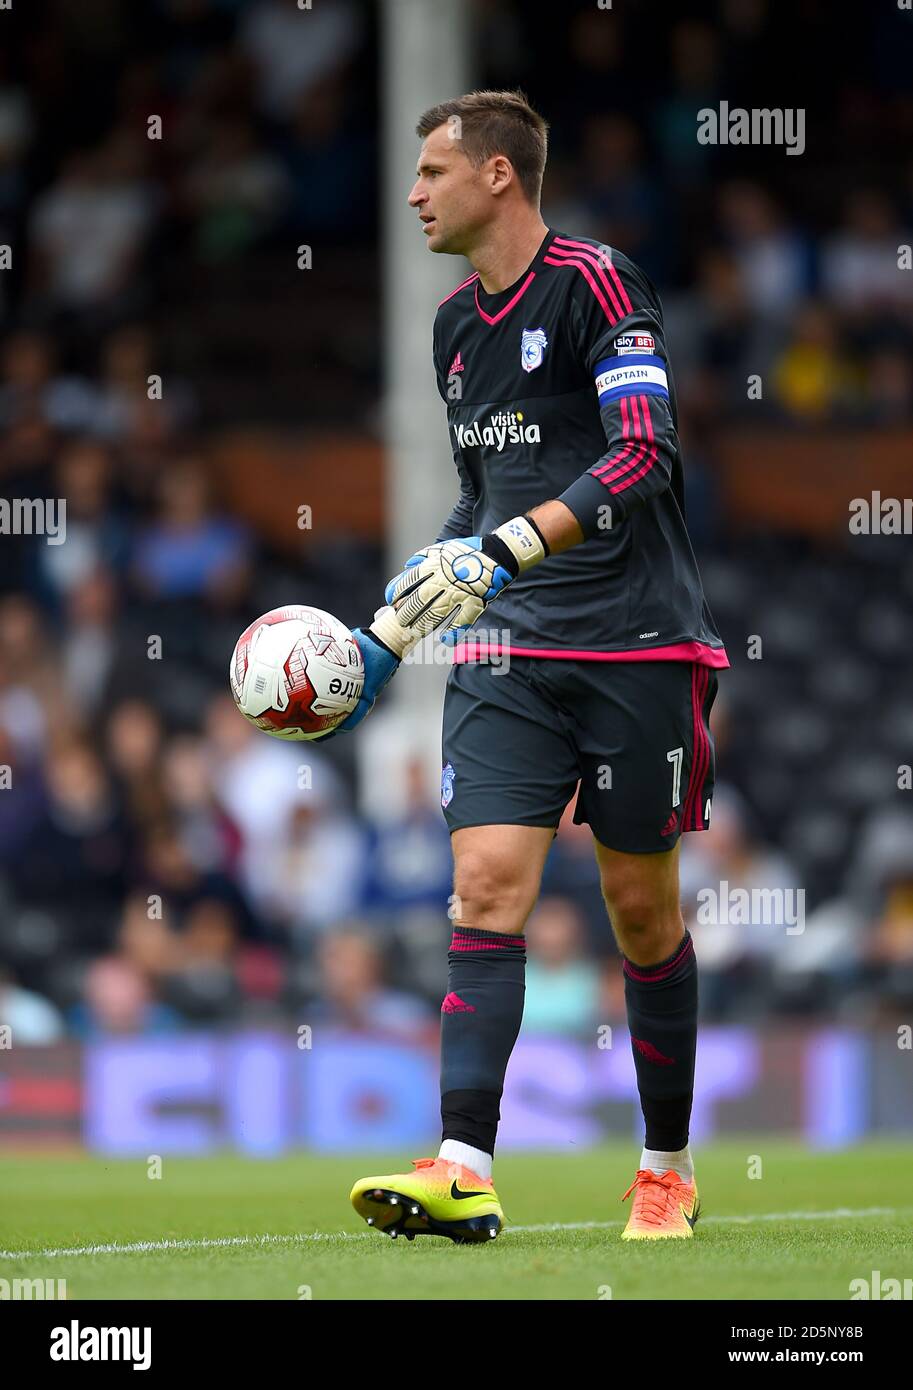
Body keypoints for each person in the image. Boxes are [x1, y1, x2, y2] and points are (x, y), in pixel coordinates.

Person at [343, 90, 728, 1243]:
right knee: (485, 889)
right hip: (506, 647)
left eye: (431, 172)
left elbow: (646, 450)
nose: (413, 193)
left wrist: (504, 544)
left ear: (497, 176)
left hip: (634, 641)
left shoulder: (597, 284)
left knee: (639, 912)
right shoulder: (452, 326)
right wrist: (414, 605)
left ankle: (665, 1165)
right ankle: (464, 1161)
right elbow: (482, 493)